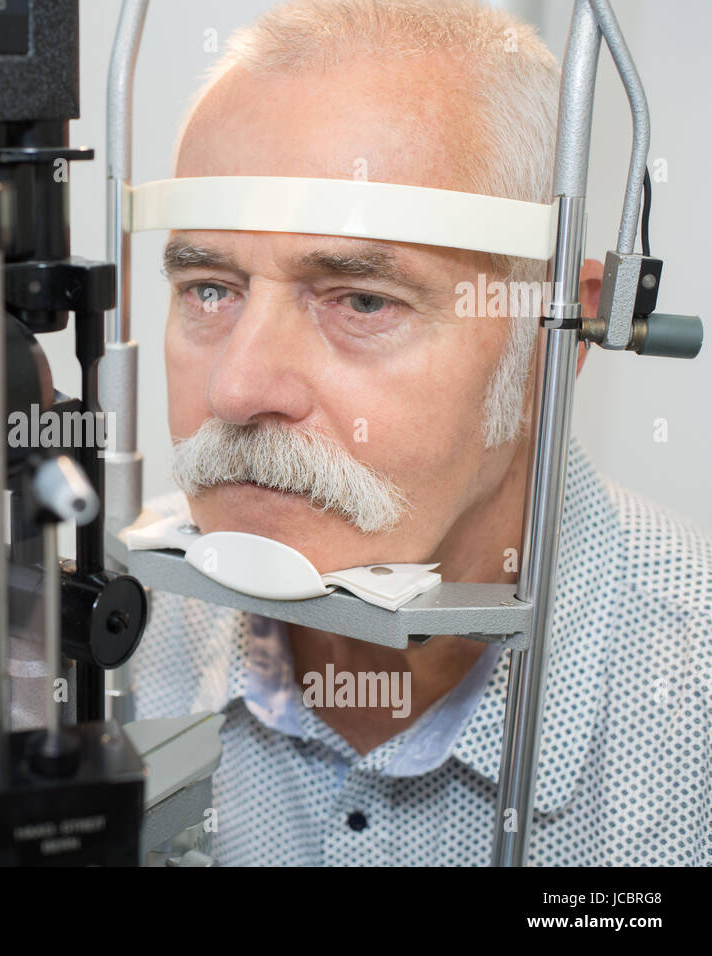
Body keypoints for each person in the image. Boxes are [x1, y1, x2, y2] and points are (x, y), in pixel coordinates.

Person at [131, 0, 712, 865]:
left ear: (560, 337)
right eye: (211, 289)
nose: (238, 387)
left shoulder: (686, 701)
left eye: (363, 300)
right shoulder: (120, 626)